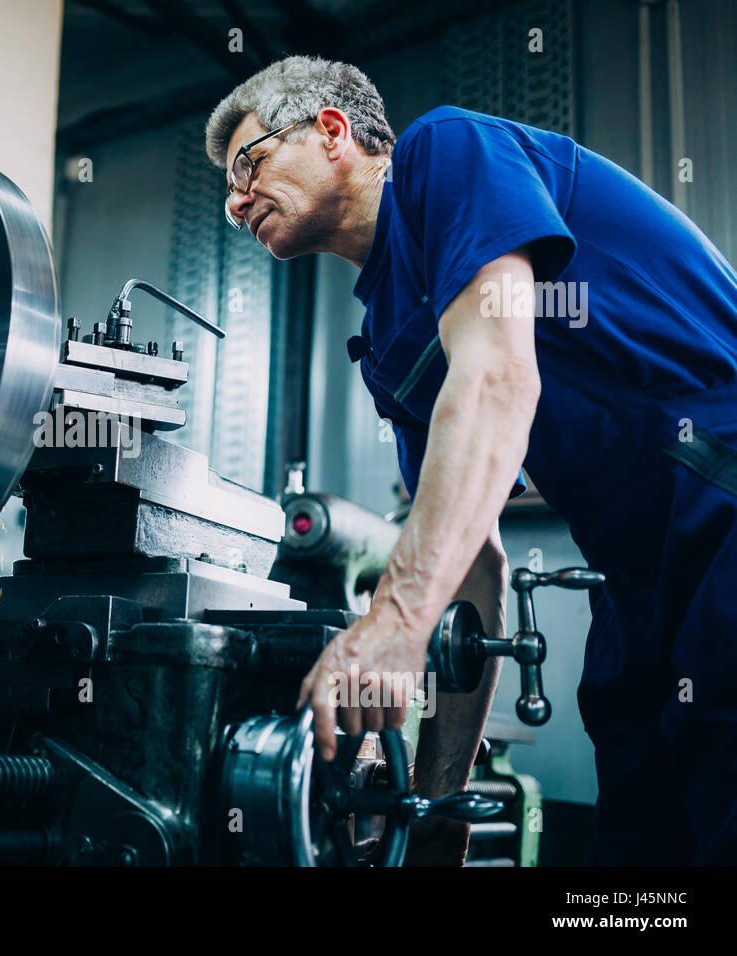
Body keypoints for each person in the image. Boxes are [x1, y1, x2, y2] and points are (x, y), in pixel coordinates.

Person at [206, 55, 737, 864]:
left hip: (723, 488)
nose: (235, 199)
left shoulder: (447, 153)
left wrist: (392, 621)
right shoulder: (387, 339)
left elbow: (497, 374)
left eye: (249, 162)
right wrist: (440, 802)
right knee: (637, 806)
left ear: (334, 130)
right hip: (636, 568)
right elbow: (472, 565)